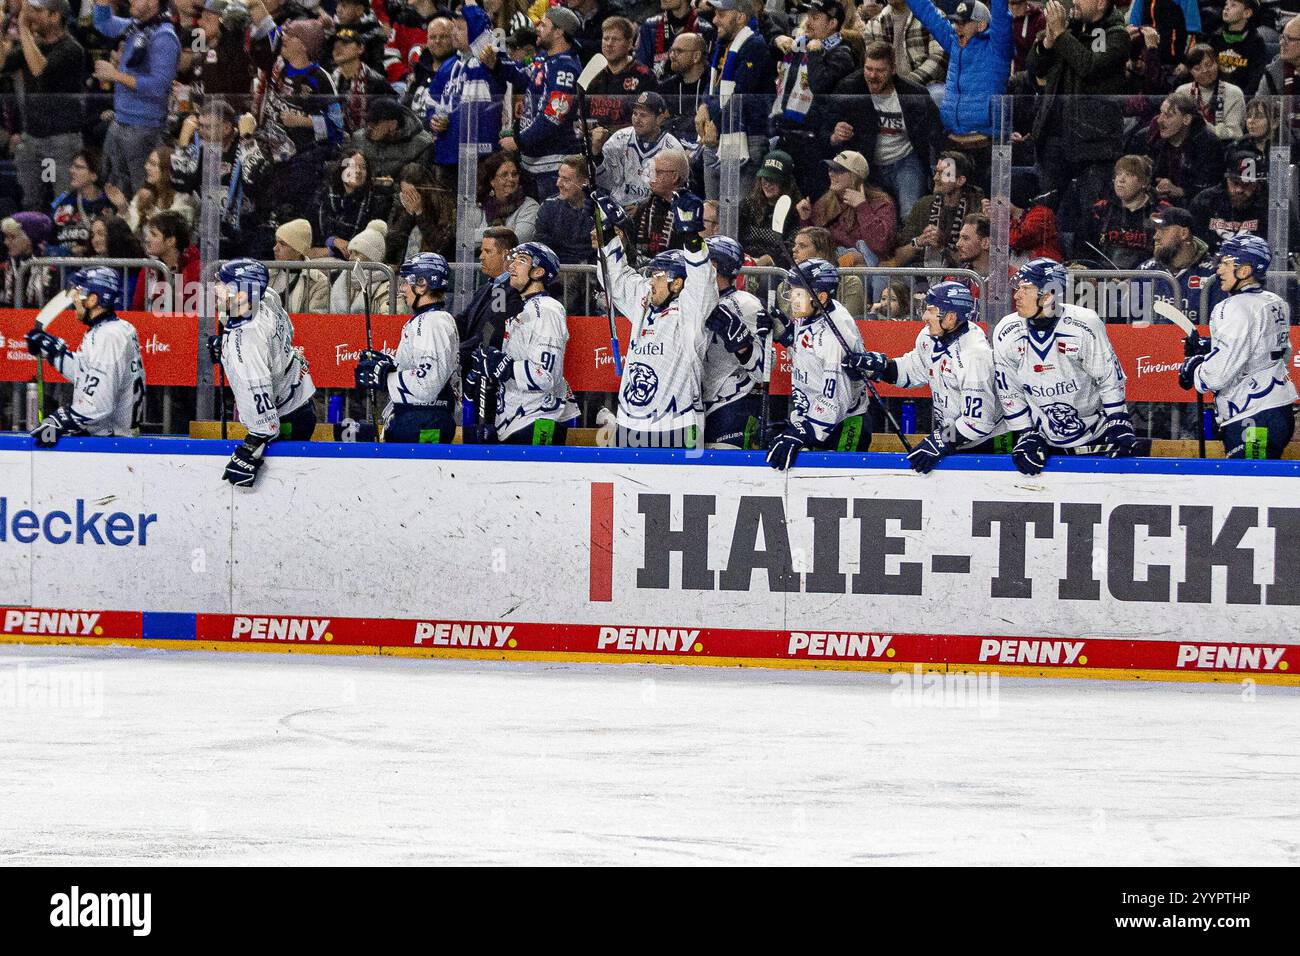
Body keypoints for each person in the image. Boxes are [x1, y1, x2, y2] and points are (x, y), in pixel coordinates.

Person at [992, 257, 1137, 474]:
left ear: (1049, 295)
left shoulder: (1084, 324)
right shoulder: (1007, 330)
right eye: (1018, 288)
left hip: (1094, 434)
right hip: (1041, 437)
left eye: (1026, 289)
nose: (1016, 295)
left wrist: (1118, 419)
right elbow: (1009, 390)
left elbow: (1107, 376)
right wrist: (1025, 433)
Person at [843, 280, 1006, 472]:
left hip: (992, 442)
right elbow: (910, 371)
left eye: (931, 310)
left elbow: (977, 422)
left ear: (951, 317)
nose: (924, 317)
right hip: (956, 437)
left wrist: (939, 441)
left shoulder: (974, 355)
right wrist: (878, 367)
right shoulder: (930, 337)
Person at [595, 191, 714, 449]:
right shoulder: (645, 302)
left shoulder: (690, 312)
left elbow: (703, 282)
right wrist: (605, 228)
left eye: (658, 276)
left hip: (678, 425)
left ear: (678, 282)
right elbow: (614, 277)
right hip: (630, 424)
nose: (651, 282)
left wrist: (692, 236)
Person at [1179, 234, 1296, 458]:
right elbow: (1272, 351)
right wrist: (1213, 348)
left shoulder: (1232, 307)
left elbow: (1218, 376)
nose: (1219, 270)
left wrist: (1196, 370)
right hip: (1277, 409)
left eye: (1225, 263)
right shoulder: (1275, 301)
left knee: (1249, 489)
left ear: (1244, 271)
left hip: (1252, 417)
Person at [210, 258, 317, 486]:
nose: (215, 288)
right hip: (300, 403)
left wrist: (250, 450)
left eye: (224, 284)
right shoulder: (267, 296)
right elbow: (287, 330)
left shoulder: (245, 342)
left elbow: (265, 422)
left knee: (282, 491)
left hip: (285, 418)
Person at [1026, 0, 1129, 234]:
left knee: (1093, 214)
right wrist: (1048, 42)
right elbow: (1034, 69)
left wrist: (1061, 34)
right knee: (1042, 214)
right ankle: (1042, 265)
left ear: (1101, 3)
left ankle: (1087, 268)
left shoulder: (1116, 35)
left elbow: (1089, 66)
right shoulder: (1066, 29)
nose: (1074, 2)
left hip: (1094, 144)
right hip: (1054, 137)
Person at [468, 241, 578, 445]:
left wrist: (504, 365)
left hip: (537, 420)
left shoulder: (547, 310)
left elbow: (545, 375)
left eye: (521, 261)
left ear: (538, 272)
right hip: (516, 419)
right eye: (513, 260)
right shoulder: (525, 308)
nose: (511, 267)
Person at [766, 257, 869, 470]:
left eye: (798, 293)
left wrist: (803, 432)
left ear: (820, 297)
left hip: (843, 424)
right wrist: (785, 334)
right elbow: (809, 352)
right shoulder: (813, 312)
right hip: (814, 418)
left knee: (837, 491)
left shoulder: (836, 334)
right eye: (792, 292)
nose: (792, 299)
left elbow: (834, 400)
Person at [25, 268, 144, 446]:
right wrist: (54, 351)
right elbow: (88, 376)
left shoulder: (108, 336)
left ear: (93, 299)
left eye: (79, 293)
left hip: (112, 445)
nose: (74, 300)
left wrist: (59, 420)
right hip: (113, 441)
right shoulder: (113, 328)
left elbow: (99, 404)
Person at [903, 0, 1013, 190]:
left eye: (963, 23)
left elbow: (1002, 16)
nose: (957, 27)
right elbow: (927, 13)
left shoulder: (998, 48)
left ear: (981, 25)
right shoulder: (954, 43)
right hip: (953, 144)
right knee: (949, 203)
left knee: (983, 210)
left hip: (987, 148)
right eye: (955, 22)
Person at [831, 40, 944, 220]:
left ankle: (909, 247)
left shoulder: (914, 93)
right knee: (867, 216)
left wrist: (936, 165)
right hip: (866, 165)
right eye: (868, 69)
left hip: (905, 161)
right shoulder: (849, 88)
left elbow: (936, 132)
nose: (873, 76)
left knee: (910, 213)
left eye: (880, 71)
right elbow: (826, 125)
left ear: (893, 70)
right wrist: (834, 134)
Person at [355, 252, 460, 443]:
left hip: (426, 422)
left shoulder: (434, 322)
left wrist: (386, 376)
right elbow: (419, 371)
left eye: (406, 282)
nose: (402, 289)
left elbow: (428, 382)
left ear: (422, 284)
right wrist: (388, 365)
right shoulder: (426, 320)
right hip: (419, 419)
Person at [482, 6, 583, 199]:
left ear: (559, 32)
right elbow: (521, 76)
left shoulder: (566, 68)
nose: (537, 27)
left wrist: (518, 141)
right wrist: (495, 64)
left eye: (544, 25)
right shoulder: (546, 59)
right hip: (534, 165)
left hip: (553, 167)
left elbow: (552, 117)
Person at [0, 0, 86, 212]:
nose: (30, 15)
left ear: (55, 16)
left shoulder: (71, 49)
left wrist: (22, 29)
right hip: (32, 137)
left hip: (62, 141)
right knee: (29, 203)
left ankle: (61, 244)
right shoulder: (34, 44)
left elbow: (41, 72)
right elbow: (2, 65)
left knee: (63, 204)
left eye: (37, 11)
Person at [91, 0, 181, 195]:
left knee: (142, 194)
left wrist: (115, 75)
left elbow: (159, 86)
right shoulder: (136, 27)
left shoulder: (164, 36)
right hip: (120, 121)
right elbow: (102, 22)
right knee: (115, 192)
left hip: (144, 128)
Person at [770, 0, 858, 200]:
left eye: (816, 18)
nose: (809, 22)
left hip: (816, 144)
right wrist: (777, 40)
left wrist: (816, 54)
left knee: (811, 202)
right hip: (788, 136)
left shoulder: (842, 53)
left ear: (832, 24)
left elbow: (819, 85)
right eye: (808, 17)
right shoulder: (800, 47)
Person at [425, 4, 508, 187]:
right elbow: (431, 102)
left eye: (460, 28)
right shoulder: (447, 66)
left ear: (476, 31)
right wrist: (433, 119)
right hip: (447, 156)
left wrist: (475, 14)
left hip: (482, 157)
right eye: (453, 27)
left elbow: (497, 48)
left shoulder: (489, 63)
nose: (454, 32)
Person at [172, 103, 269, 256]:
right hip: (207, 236)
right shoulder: (200, 148)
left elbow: (254, 183)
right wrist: (183, 141)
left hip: (243, 237)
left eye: (208, 127)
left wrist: (247, 139)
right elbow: (180, 183)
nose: (202, 132)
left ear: (226, 127)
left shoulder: (248, 145)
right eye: (201, 126)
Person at [702, 235, 768, 448]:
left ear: (713, 265)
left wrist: (741, 343)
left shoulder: (746, 304)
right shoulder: (692, 301)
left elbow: (764, 369)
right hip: (694, 404)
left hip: (731, 405)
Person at [796, 150, 896, 268]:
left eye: (838, 170)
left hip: (872, 269)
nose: (831, 174)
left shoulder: (881, 203)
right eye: (830, 169)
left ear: (855, 175)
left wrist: (862, 207)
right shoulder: (824, 203)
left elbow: (880, 245)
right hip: (834, 267)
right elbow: (814, 246)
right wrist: (806, 220)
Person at [593, 92, 687, 210]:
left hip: (654, 213)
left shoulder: (672, 149)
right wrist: (596, 153)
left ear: (659, 119)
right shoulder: (619, 139)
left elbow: (676, 195)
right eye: (635, 113)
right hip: (616, 210)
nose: (637, 119)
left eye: (643, 115)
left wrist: (643, 210)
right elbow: (603, 183)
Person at [892, 150, 984, 268]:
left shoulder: (975, 209)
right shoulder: (923, 206)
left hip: (959, 280)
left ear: (960, 180)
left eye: (943, 174)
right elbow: (898, 258)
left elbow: (973, 263)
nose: (935, 178)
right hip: (919, 277)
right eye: (936, 172)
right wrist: (919, 241)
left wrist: (942, 247)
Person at [1136, 205, 1221, 324]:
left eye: (1163, 230)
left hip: (1194, 342)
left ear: (1184, 233)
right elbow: (1130, 318)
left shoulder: (1213, 273)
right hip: (1152, 341)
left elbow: (1217, 323)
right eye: (1156, 230)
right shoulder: (1145, 270)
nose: (1156, 236)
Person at [455, 225, 520, 380]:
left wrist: (455, 354)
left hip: (489, 375)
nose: (481, 256)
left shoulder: (509, 291)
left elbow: (490, 334)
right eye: (482, 251)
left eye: (488, 251)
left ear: (506, 255)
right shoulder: (488, 287)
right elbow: (463, 320)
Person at [1141, 91, 1226, 205]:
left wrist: (1180, 191)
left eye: (1168, 115)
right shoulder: (1152, 139)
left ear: (1186, 119)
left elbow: (1212, 189)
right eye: (1161, 113)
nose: (1159, 120)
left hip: (1193, 208)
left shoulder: (1209, 144)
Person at [1083, 154, 1163, 269]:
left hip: (1147, 278)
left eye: (1129, 175)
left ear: (1144, 182)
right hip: (1102, 277)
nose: (1120, 180)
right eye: (1118, 174)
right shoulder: (1100, 210)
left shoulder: (1161, 211)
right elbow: (1085, 248)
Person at [310, 148, 391, 258]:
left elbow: (367, 244)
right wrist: (333, 241)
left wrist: (331, 252)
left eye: (363, 167)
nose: (357, 171)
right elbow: (314, 232)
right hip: (318, 256)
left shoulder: (374, 202)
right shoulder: (323, 194)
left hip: (355, 260)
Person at [585, 16, 658, 131]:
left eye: (615, 39)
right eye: (606, 38)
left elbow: (650, 119)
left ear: (629, 44)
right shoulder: (591, 73)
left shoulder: (644, 76)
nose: (609, 44)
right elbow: (580, 112)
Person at [862, 0, 950, 96]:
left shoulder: (934, 16)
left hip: (926, 84)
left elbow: (940, 57)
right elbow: (871, 65)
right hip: (888, 88)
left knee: (938, 93)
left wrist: (908, 82)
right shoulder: (873, 25)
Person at [1189, 147, 1268, 253]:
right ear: (1227, 179)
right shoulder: (1205, 201)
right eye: (1235, 183)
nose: (1239, 190)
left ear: (1257, 183)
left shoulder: (1270, 205)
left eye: (1246, 184)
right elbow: (1192, 243)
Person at [464, 152, 539, 246]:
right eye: (504, 175)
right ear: (492, 181)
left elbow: (517, 239)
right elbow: (465, 239)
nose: (511, 179)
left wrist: (481, 234)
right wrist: (504, 231)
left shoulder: (530, 206)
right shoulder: (480, 205)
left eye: (514, 174)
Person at [331, 27, 396, 136]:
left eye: (345, 43)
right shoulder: (328, 79)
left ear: (360, 48)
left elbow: (391, 116)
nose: (338, 48)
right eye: (335, 46)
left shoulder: (376, 82)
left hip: (368, 142)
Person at [49, 150, 113, 257]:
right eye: (72, 166)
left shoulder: (108, 203)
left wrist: (86, 249)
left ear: (93, 175)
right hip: (62, 264)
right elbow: (50, 240)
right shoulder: (63, 201)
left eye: (78, 167)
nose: (71, 171)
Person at [535, 155, 596, 265]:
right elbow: (542, 248)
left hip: (593, 276)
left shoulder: (602, 209)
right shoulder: (548, 207)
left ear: (585, 183)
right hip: (557, 275)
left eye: (566, 179)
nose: (558, 183)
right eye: (559, 177)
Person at [1176, 43, 1246, 140]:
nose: (1204, 70)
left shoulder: (1234, 93)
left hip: (1224, 149)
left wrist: (1203, 125)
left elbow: (1234, 133)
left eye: (1209, 65)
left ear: (1217, 64)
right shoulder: (1182, 92)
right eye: (1197, 68)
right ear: (1191, 72)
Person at [635, 0, 715, 79]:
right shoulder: (650, 26)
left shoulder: (705, 30)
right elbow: (641, 65)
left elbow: (706, 73)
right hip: (656, 88)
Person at [269, 218, 331, 313]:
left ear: (298, 250)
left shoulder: (320, 283)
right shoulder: (266, 275)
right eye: (276, 242)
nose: (275, 248)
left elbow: (316, 322)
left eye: (282, 244)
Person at [1208, 0, 1267, 98]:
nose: (1226, 8)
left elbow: (1256, 79)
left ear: (1247, 13)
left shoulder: (1256, 42)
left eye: (1233, 5)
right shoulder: (1215, 38)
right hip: (1215, 97)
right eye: (1226, 4)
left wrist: (1242, 100)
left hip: (1242, 98)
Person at [658, 31, 709, 141]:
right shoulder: (666, 87)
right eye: (671, 51)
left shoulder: (713, 84)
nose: (671, 56)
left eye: (678, 51)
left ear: (696, 56)